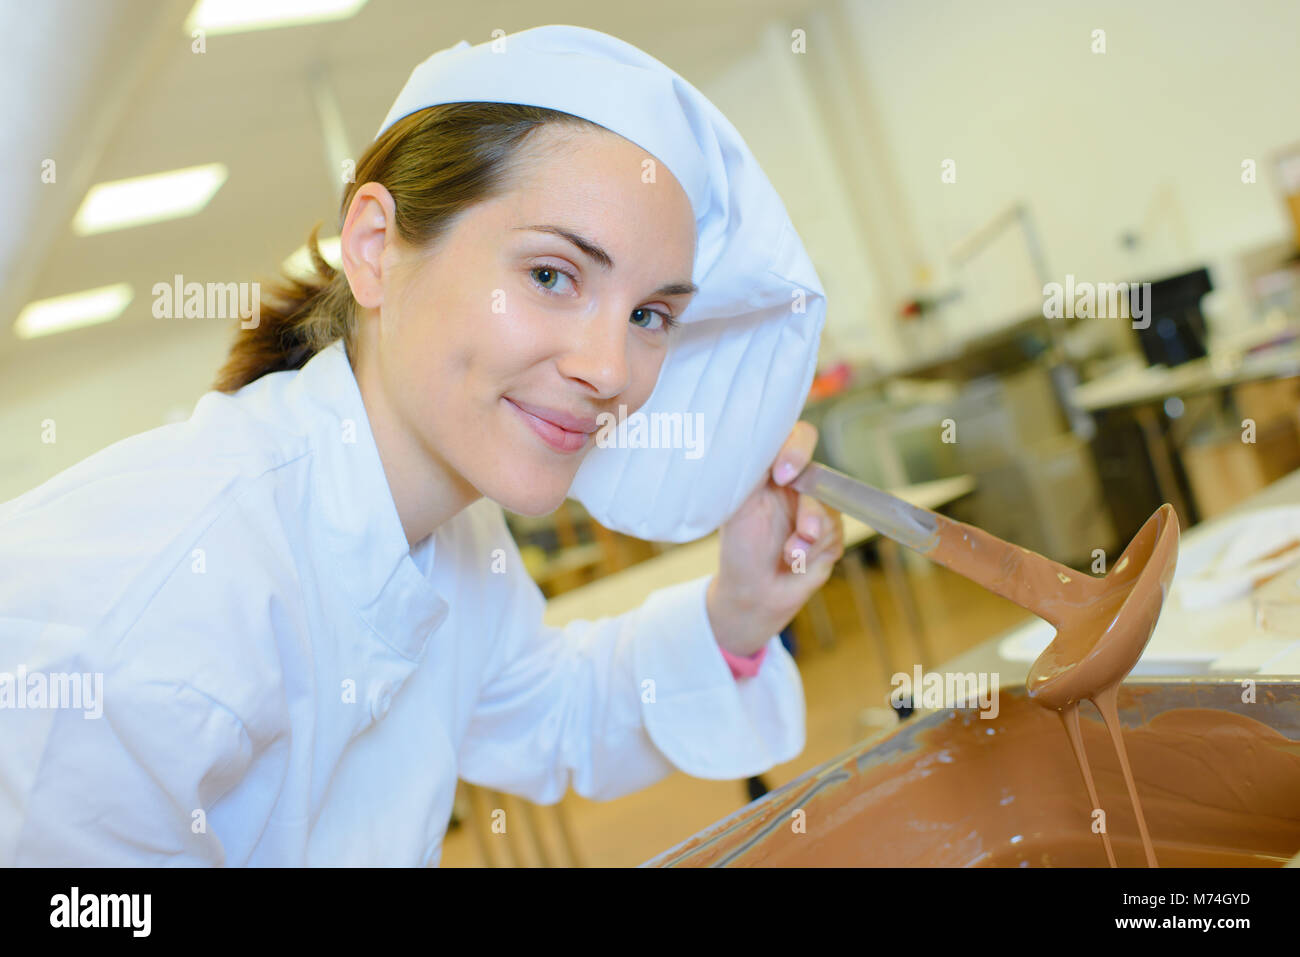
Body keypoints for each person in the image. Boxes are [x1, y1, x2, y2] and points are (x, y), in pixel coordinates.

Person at [0, 25, 842, 866]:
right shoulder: (163, 601)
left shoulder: (446, 526)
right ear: (375, 249)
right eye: (551, 275)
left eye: (649, 315)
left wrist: (740, 608)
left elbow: (545, 708)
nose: (608, 367)